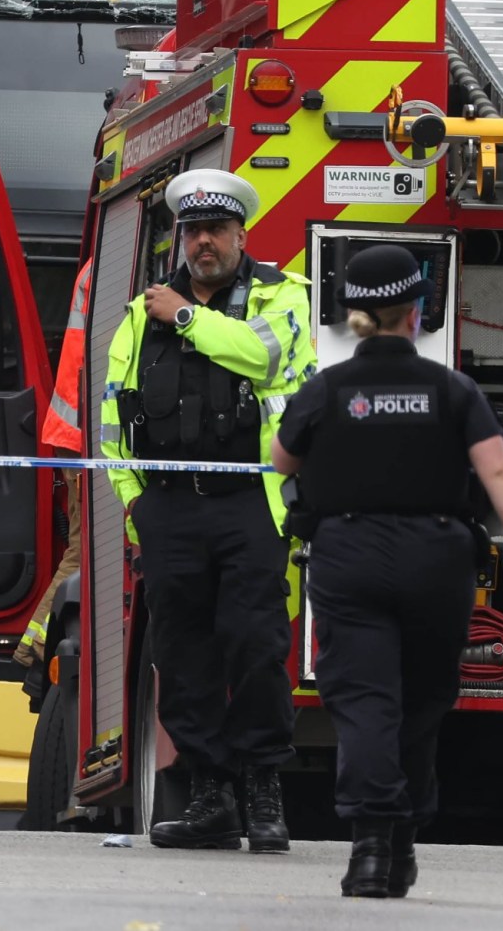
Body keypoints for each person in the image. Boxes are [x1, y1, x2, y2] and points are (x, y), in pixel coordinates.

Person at [270, 243, 503, 899]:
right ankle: (403, 841)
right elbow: (498, 471)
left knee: (366, 700)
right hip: (437, 559)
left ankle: (371, 847)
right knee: (422, 701)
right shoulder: (453, 390)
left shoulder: (326, 389)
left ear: (355, 316)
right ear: (416, 311)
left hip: (349, 555)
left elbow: (283, 459)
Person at [98, 169, 316, 853]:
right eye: (193, 231)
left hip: (250, 506)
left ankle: (262, 789)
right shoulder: (141, 314)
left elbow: (265, 360)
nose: (204, 243)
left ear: (241, 235)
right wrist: (136, 504)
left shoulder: (281, 295)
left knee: (255, 648)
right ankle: (210, 795)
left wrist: (188, 318)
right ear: (179, 239)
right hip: (167, 509)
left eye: (217, 230)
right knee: (182, 655)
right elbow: (112, 417)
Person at [16, 259, 93, 672]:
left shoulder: (99, 266)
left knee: (82, 550)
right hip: (85, 438)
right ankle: (40, 646)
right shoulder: (112, 266)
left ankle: (40, 644)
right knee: (85, 553)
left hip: (79, 435)